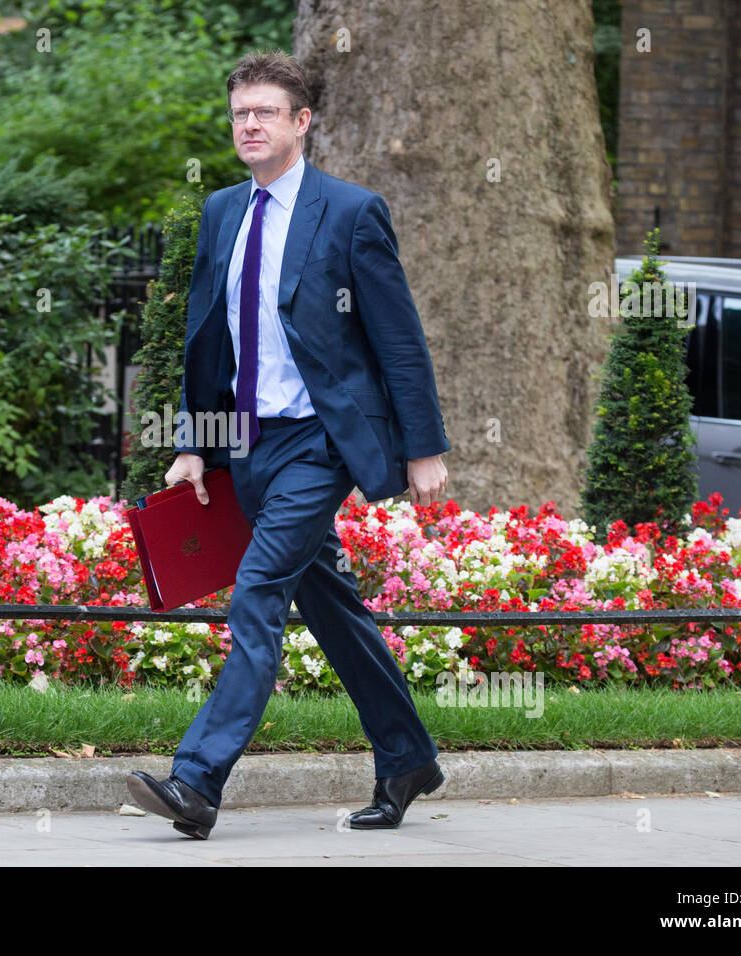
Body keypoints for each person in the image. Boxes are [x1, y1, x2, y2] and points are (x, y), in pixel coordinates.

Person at [126, 50, 450, 840]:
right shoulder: (221, 213)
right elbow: (206, 336)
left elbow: (398, 340)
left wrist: (423, 446)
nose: (250, 125)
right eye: (241, 113)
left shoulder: (350, 212)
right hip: (245, 445)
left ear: (302, 122)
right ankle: (408, 758)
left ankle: (197, 782)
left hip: (319, 443)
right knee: (329, 605)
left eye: (267, 112)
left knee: (258, 592)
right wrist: (195, 441)